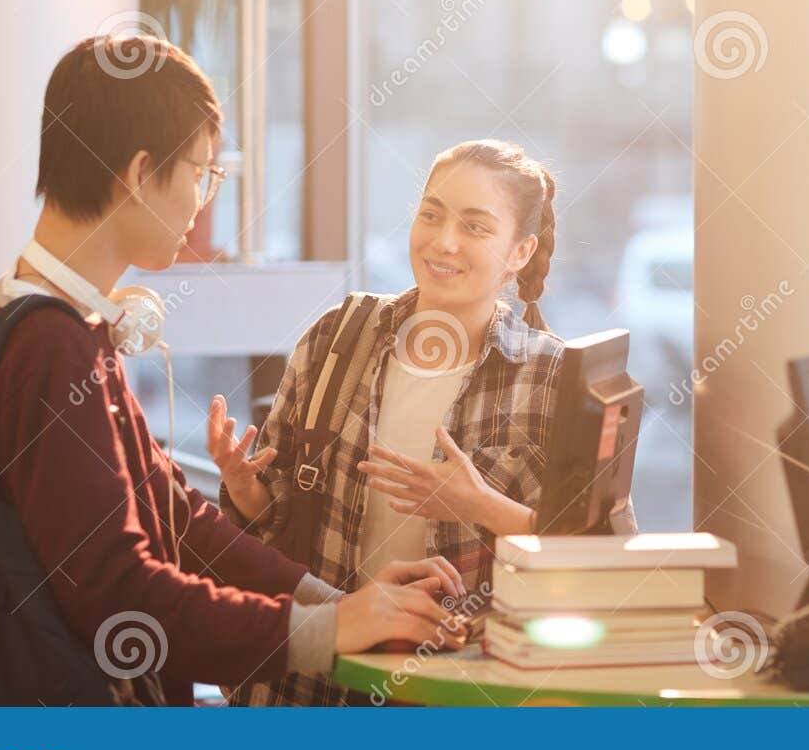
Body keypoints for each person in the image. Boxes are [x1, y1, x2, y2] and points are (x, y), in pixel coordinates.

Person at [0, 35, 464, 706]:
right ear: (138, 172)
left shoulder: (70, 321)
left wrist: (341, 603)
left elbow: (179, 515)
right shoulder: (50, 345)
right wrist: (326, 628)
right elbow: (118, 589)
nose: (203, 203)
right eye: (202, 173)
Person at [213, 139, 566, 705]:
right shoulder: (338, 337)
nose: (443, 241)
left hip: (457, 695)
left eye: (476, 227)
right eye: (431, 214)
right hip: (310, 686)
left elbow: (599, 557)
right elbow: (276, 524)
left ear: (519, 252)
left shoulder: (549, 377)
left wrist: (480, 506)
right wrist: (243, 485)